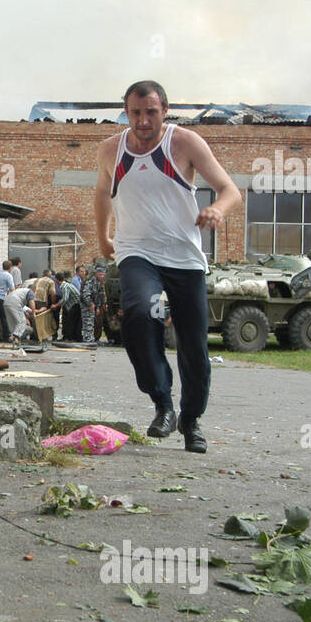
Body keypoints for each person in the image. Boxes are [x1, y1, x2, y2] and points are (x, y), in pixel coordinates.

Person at [94, 79, 241, 453]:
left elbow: (230, 190)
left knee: (194, 346)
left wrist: (216, 210)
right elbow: (101, 192)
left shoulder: (185, 143)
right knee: (140, 317)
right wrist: (102, 236)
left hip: (183, 257)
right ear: (126, 113)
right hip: (137, 252)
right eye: (136, 113)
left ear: (165, 111)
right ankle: (162, 402)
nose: (143, 121)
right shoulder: (110, 150)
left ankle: (190, 420)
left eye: (151, 112)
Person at [3, 280, 36, 345]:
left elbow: (22, 306)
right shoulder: (30, 292)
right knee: (22, 321)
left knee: (13, 323)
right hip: (14, 302)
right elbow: (32, 302)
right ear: (34, 290)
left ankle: (14, 340)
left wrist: (29, 311)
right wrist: (34, 313)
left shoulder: (21, 291)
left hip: (6, 302)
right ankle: (15, 336)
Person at [80, 264, 105, 343]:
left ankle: (90, 338)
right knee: (88, 322)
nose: (102, 276)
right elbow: (85, 294)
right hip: (86, 305)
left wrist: (97, 307)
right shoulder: (90, 281)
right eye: (100, 274)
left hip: (93, 305)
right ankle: (87, 339)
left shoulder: (98, 282)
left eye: (103, 275)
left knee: (91, 323)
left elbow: (98, 295)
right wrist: (90, 304)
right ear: (96, 274)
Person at [61, 267, 83, 341]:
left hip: (74, 305)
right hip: (74, 304)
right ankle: (71, 336)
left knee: (71, 321)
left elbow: (65, 298)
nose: (83, 273)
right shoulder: (74, 280)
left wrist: (57, 305)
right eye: (82, 271)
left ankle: (71, 337)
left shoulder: (66, 285)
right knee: (72, 321)